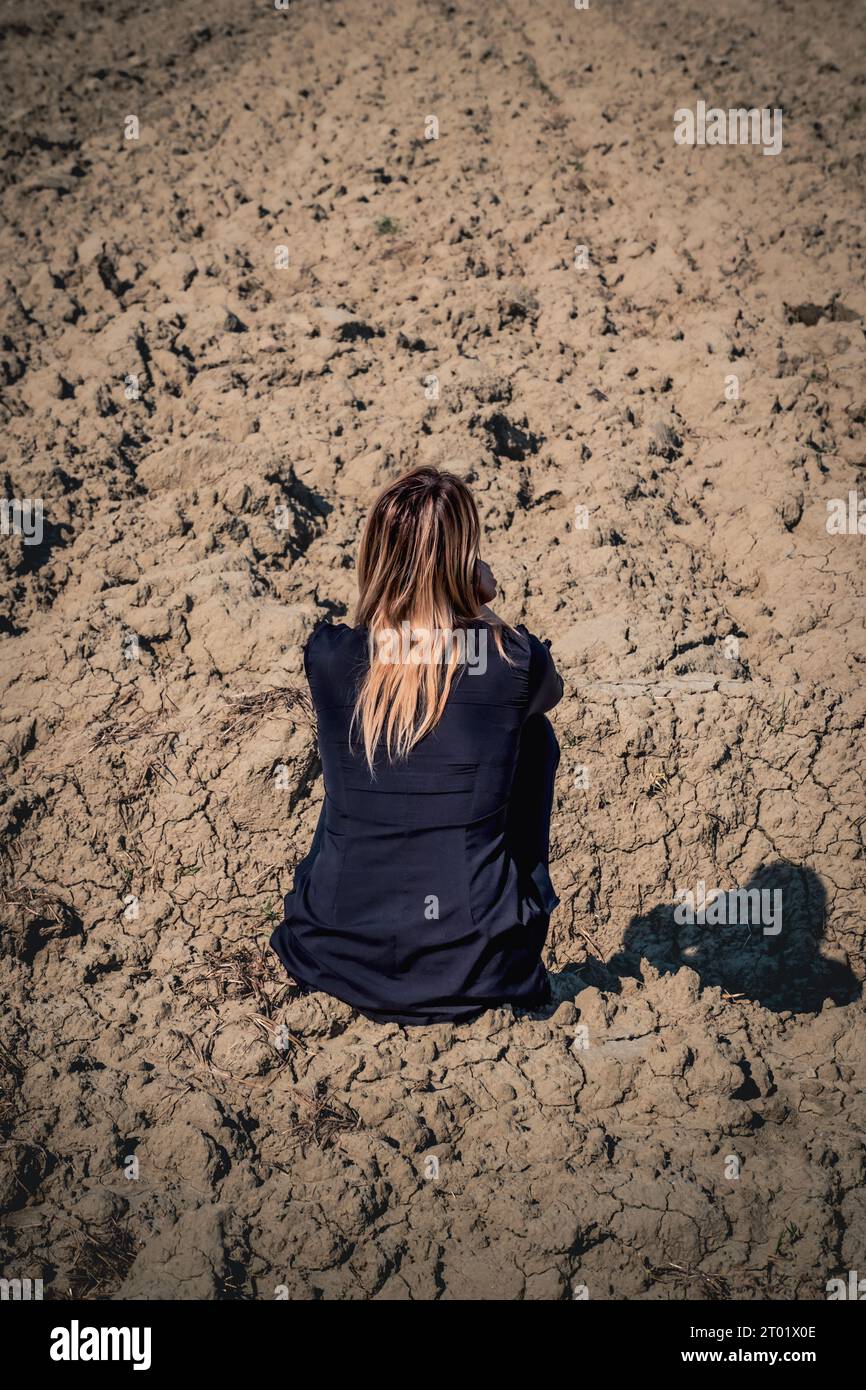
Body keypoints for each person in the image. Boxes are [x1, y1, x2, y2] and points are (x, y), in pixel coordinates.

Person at [270, 465, 563, 1024]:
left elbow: (395, 647)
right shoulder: (512, 661)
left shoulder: (328, 656)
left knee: (373, 748)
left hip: (332, 954)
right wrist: (477, 605)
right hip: (480, 969)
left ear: (375, 556)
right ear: (463, 562)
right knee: (531, 732)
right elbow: (550, 692)